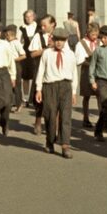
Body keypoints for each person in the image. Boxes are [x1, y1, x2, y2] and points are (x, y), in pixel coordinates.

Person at [34, 25, 77, 158]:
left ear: (66, 41)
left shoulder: (70, 54)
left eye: (62, 40)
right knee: (50, 115)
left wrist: (74, 91)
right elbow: (41, 71)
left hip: (65, 87)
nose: (59, 42)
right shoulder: (47, 53)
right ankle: (50, 141)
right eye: (57, 39)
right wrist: (38, 89)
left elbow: (74, 73)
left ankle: (65, 145)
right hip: (50, 86)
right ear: (53, 39)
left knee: (65, 116)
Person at [26, 14, 55, 136]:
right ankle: (38, 121)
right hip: (41, 69)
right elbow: (32, 54)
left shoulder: (59, 35)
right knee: (40, 97)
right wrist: (46, 49)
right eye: (41, 25)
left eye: (45, 25)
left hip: (55, 70)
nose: (42, 27)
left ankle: (54, 126)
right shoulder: (38, 36)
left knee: (54, 98)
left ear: (52, 24)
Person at [75, 22, 100, 129]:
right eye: (92, 34)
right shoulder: (81, 43)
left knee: (100, 95)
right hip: (87, 71)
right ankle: (86, 118)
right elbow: (78, 59)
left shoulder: (100, 42)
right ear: (88, 33)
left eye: (96, 34)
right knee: (87, 95)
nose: (95, 36)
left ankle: (101, 119)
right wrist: (90, 63)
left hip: (99, 72)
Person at [18, 10, 40, 108]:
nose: (28, 18)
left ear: (34, 17)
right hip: (26, 55)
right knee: (26, 77)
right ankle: (25, 98)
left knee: (36, 76)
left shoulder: (38, 27)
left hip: (36, 54)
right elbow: (18, 42)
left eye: (30, 16)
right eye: (26, 16)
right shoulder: (22, 29)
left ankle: (35, 98)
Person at [4, 25, 27, 113]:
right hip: (8, 65)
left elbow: (23, 55)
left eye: (7, 35)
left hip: (16, 65)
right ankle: (10, 103)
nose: (6, 37)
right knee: (9, 86)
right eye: (6, 35)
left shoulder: (16, 43)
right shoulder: (6, 43)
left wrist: (13, 60)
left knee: (16, 86)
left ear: (12, 34)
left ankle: (19, 104)